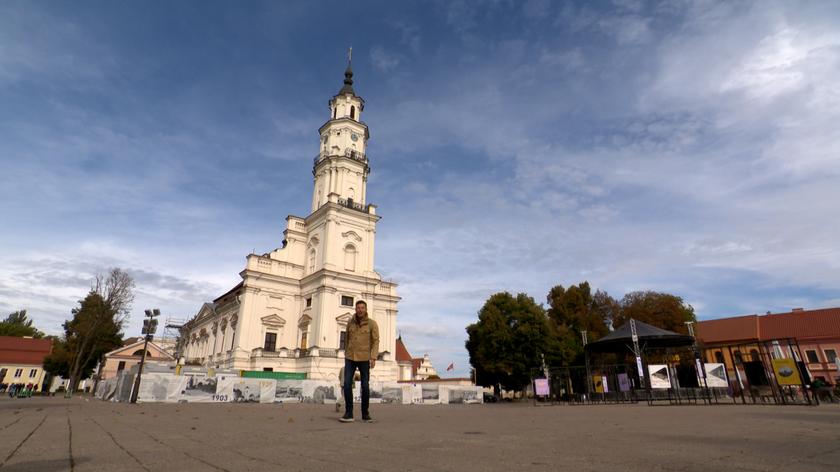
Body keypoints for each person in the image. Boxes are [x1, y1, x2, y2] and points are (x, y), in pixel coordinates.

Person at [340, 299, 379, 423]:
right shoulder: (350, 323)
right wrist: (346, 352)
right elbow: (346, 339)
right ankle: (349, 413)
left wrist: (373, 357)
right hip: (350, 357)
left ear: (366, 309)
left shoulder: (372, 324)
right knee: (346, 384)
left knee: (365, 386)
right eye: (358, 308)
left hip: (364, 357)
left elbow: (376, 341)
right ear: (355, 309)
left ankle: (365, 414)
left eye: (362, 308)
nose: (360, 310)